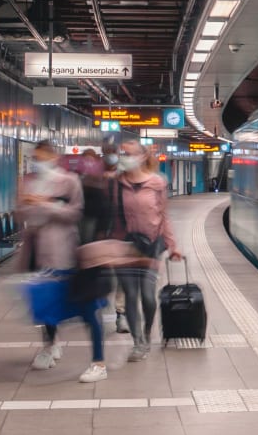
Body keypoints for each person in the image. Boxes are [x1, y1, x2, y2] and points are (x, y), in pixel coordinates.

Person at [19, 141, 107, 382]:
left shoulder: (69, 181)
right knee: (45, 306)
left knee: (87, 309)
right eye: (35, 157)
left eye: (41, 157)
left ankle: (98, 362)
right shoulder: (28, 181)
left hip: (66, 254)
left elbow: (74, 213)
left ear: (53, 157)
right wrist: (28, 206)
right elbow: (21, 213)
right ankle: (50, 345)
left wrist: (46, 204)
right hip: (39, 253)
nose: (37, 161)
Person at [108, 140, 182, 360]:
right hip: (124, 245)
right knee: (130, 294)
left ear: (141, 157)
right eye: (123, 153)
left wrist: (172, 245)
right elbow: (109, 216)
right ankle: (138, 342)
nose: (124, 157)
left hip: (151, 244)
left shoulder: (157, 183)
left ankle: (147, 334)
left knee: (148, 296)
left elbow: (164, 216)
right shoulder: (115, 184)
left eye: (129, 154)